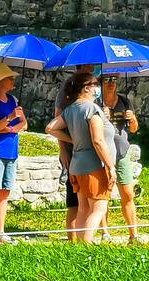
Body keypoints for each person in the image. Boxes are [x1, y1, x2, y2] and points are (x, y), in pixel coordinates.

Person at [46, 71, 116, 244]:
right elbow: (98, 140)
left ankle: (79, 247)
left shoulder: (70, 109)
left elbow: (50, 128)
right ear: (86, 88)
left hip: (77, 165)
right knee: (99, 207)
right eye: (95, 85)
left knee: (83, 208)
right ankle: (87, 245)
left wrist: (73, 139)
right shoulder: (91, 109)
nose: (97, 89)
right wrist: (110, 166)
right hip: (94, 165)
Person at [0, 64, 27, 245]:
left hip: (11, 151)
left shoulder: (13, 99)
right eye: (10, 78)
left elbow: (24, 123)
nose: (13, 81)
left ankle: (0, 231)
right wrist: (9, 120)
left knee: (5, 193)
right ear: (1, 81)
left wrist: (10, 128)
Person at [53, 64, 96, 241]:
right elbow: (55, 122)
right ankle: (73, 239)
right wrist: (64, 148)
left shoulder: (91, 93)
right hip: (74, 152)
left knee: (88, 199)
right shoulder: (68, 88)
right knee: (75, 199)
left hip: (90, 153)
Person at [100, 74, 142, 243]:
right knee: (104, 195)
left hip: (122, 152)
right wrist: (102, 116)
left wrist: (132, 119)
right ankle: (105, 233)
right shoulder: (97, 103)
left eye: (114, 80)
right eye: (107, 80)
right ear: (100, 82)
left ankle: (134, 235)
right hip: (104, 154)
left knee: (128, 193)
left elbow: (134, 129)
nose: (111, 83)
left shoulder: (124, 102)